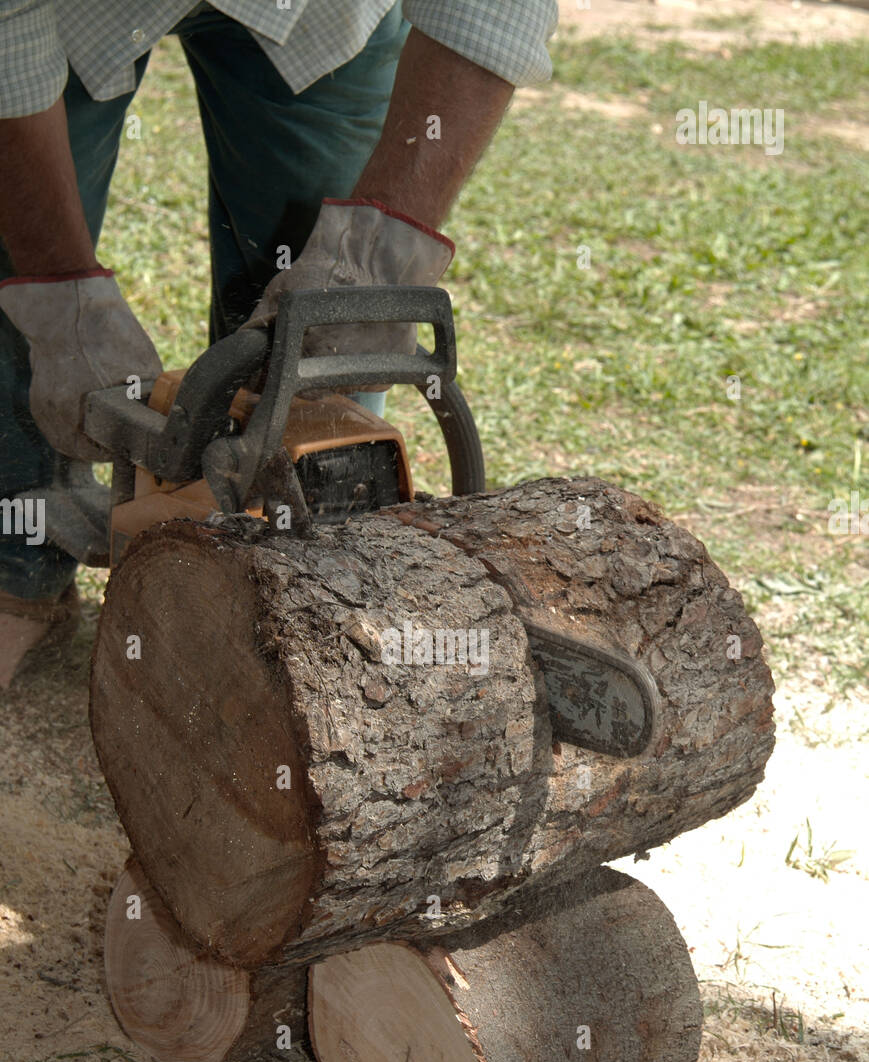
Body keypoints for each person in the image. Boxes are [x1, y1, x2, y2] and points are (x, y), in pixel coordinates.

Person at [0, 0, 558, 686]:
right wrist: (58, 295)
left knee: (322, 340)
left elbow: (491, 12)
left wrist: (379, 254)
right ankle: (14, 571)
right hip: (64, 15)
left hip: (320, 16)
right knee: (15, 274)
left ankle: (301, 594)